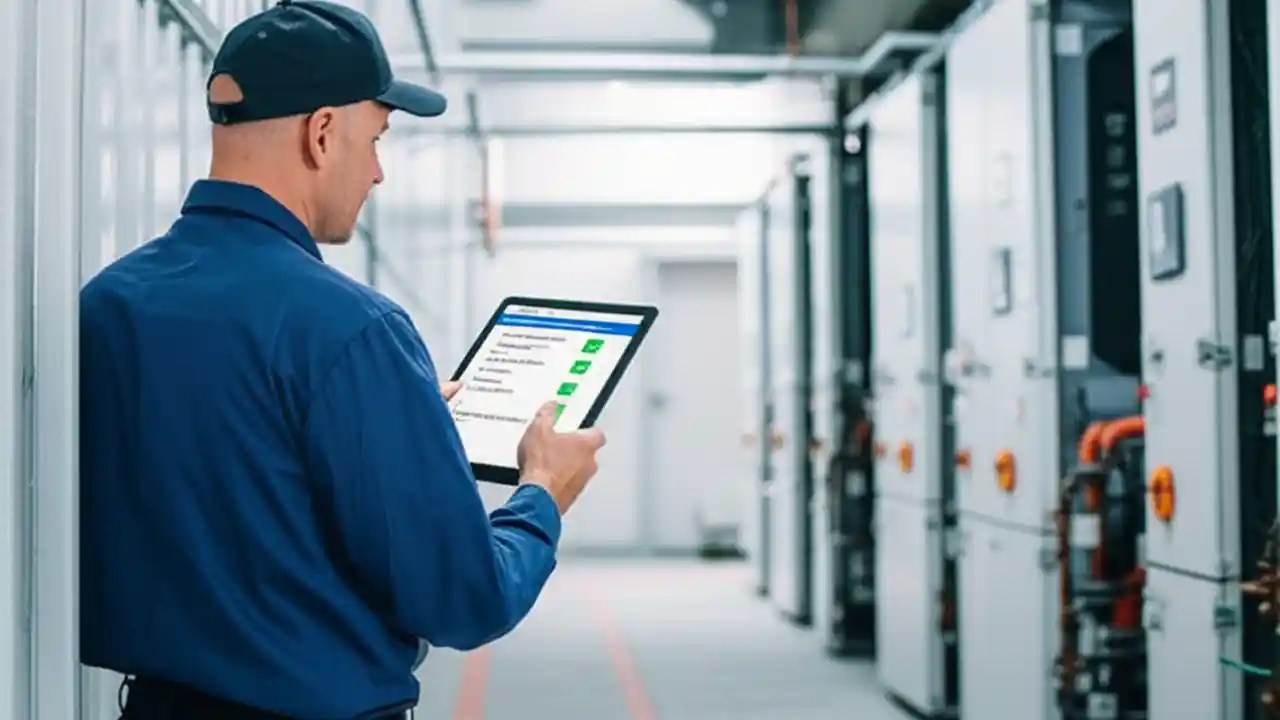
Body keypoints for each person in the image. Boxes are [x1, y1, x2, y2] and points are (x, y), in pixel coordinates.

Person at [79, 2, 606, 718]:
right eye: (377, 139)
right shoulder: (353, 329)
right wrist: (542, 492)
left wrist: (396, 419)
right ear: (322, 133)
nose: (379, 172)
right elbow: (464, 600)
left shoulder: (111, 302)